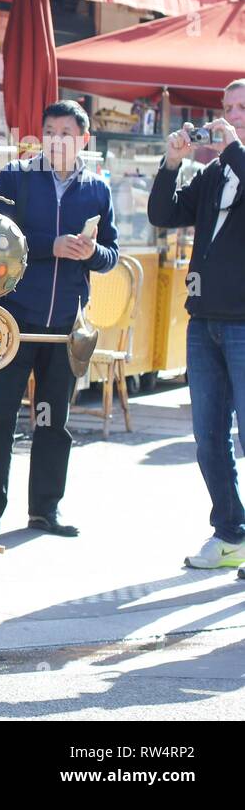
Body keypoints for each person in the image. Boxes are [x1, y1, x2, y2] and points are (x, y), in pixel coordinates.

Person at [0, 100, 119, 537]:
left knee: (51, 420)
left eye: (66, 132)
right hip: (15, 320)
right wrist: (49, 246)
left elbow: (112, 256)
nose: (57, 140)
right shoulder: (15, 177)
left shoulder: (98, 189)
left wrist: (93, 252)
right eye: (50, 131)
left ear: (84, 139)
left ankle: (44, 510)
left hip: (65, 326)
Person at [147, 79, 245, 571]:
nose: (231, 114)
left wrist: (235, 151)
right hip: (203, 319)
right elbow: (163, 213)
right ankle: (230, 533)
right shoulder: (213, 174)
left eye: (242, 108)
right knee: (209, 438)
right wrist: (172, 163)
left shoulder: (236, 162)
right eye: (227, 107)